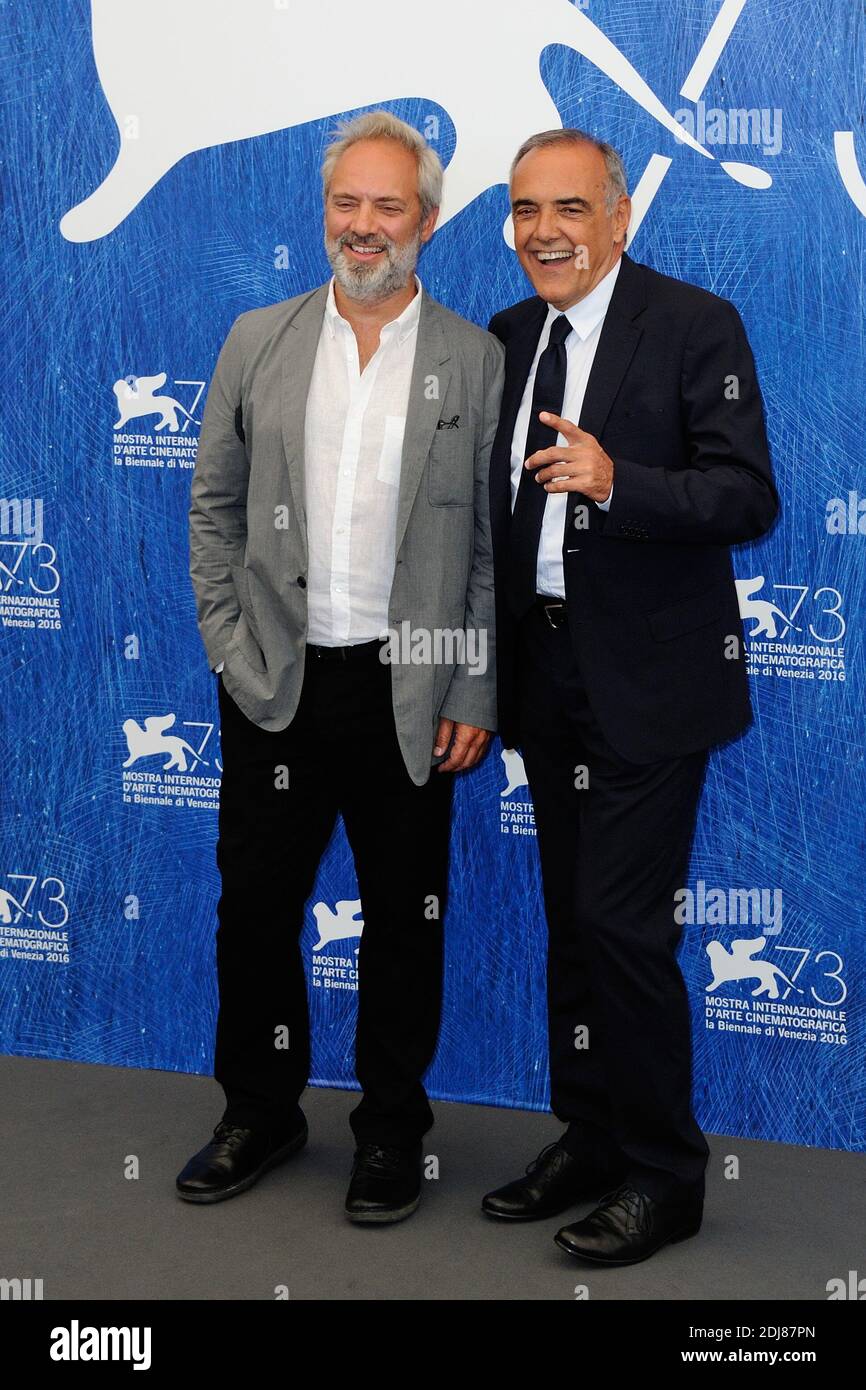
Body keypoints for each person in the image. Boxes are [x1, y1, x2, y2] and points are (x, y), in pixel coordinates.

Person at [182, 110, 503, 1224]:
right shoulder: (255, 338)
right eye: (345, 204)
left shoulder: (476, 358)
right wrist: (232, 644)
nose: (363, 229)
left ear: (425, 219)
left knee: (403, 920)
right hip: (275, 680)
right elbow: (214, 508)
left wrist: (467, 681)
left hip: (409, 685)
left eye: (387, 207)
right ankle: (259, 1111)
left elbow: (483, 553)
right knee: (254, 911)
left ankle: (390, 1132)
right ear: (325, 213)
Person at [482, 128, 778, 1264]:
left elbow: (745, 495)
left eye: (567, 208)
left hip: (651, 681)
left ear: (618, 217)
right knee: (571, 923)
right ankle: (590, 1133)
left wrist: (618, 480)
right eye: (523, 211)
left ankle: (664, 1174)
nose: (543, 232)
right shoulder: (508, 336)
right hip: (542, 672)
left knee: (620, 923)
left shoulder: (695, 325)